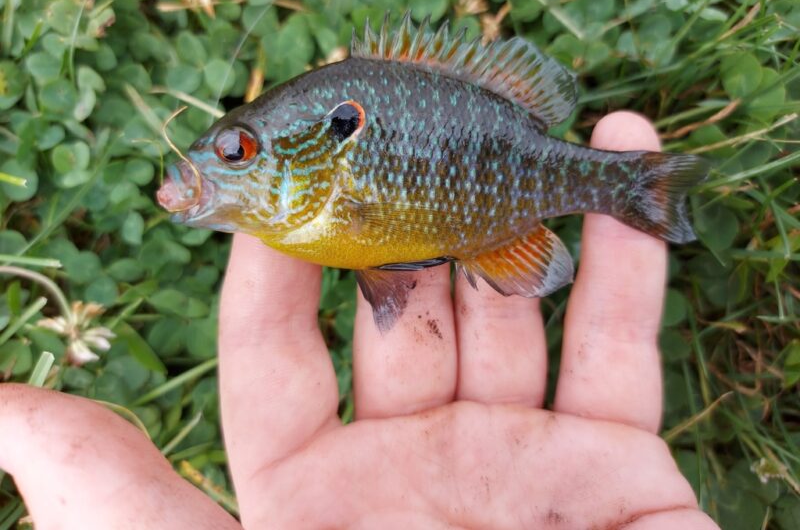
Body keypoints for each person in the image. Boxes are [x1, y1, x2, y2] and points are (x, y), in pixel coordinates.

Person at [0, 113, 720, 529]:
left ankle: (637, 187)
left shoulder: (328, 209)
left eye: (236, 151)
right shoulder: (306, 218)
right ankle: (640, 187)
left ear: (320, 148)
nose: (211, 166)